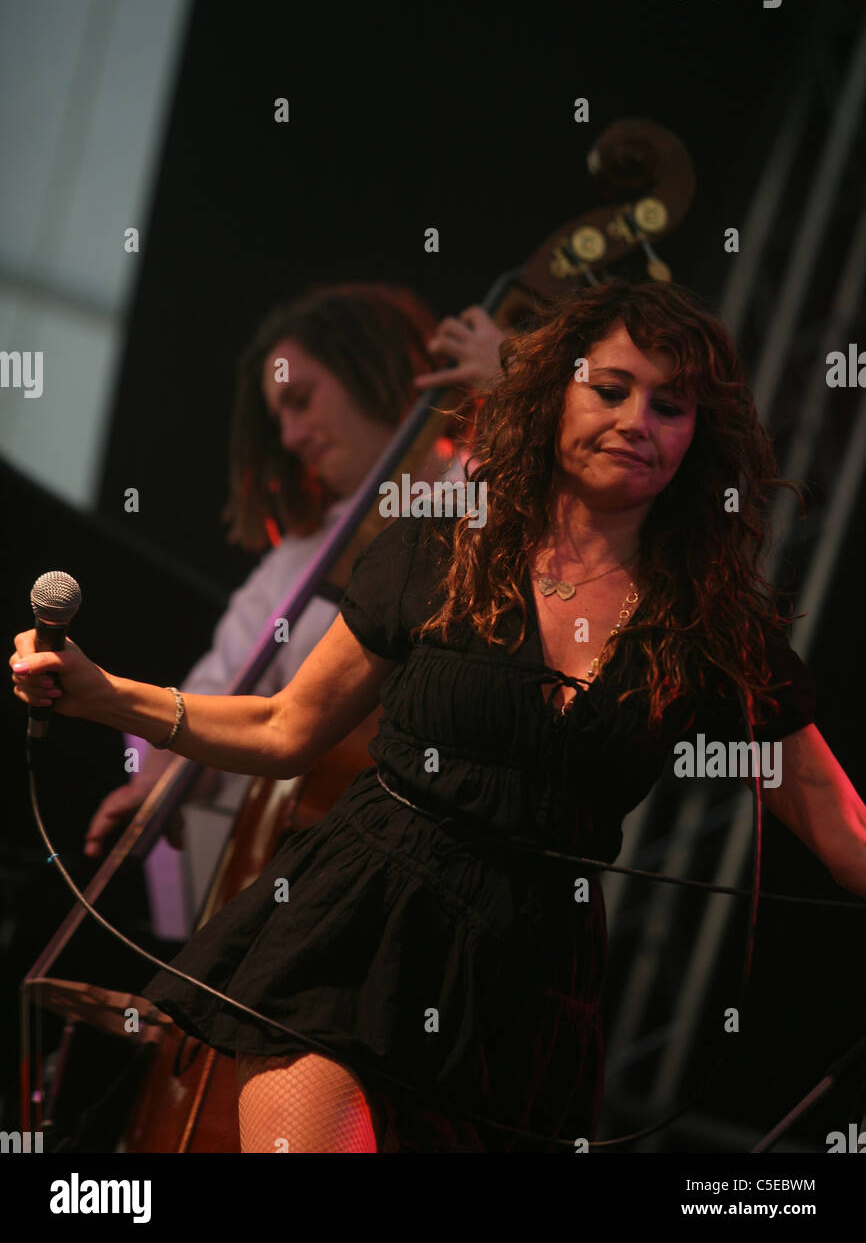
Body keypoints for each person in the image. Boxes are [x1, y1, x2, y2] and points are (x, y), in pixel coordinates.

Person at [13, 279, 865, 1154]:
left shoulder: (709, 625)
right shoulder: (442, 547)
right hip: (355, 924)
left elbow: (842, 829)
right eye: (610, 389)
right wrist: (105, 695)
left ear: (699, 437)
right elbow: (281, 729)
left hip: (531, 987)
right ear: (554, 394)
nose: (638, 420)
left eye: (672, 405)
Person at [82, 284, 511, 934]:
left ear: (376, 368)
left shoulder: (496, 488)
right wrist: (158, 787)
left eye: (301, 400)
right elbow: (219, 688)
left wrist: (516, 384)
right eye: (277, 417)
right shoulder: (295, 563)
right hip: (286, 888)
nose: (288, 434)